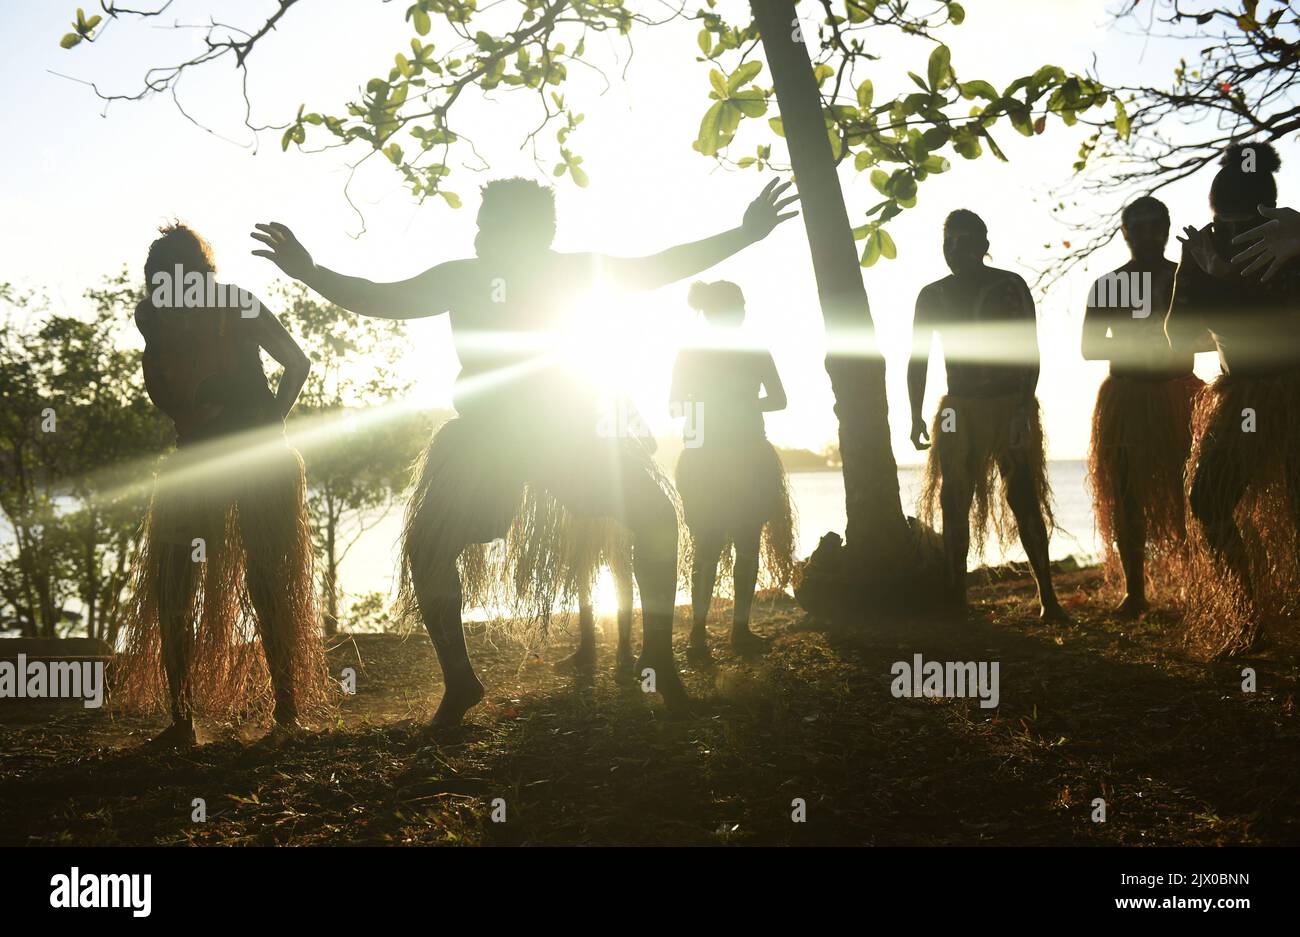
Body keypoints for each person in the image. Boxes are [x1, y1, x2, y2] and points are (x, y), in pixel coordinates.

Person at [251, 177, 798, 727]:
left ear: (533, 232)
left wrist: (744, 235)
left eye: (490, 225)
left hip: (567, 433)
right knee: (427, 545)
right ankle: (461, 681)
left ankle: (658, 656)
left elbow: (659, 266)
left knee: (656, 516)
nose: (480, 233)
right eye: (481, 224)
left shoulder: (569, 272)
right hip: (489, 440)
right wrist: (311, 272)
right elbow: (380, 297)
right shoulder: (464, 279)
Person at [118, 223, 329, 747]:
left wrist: (272, 423)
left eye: (178, 277)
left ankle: (285, 712)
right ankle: (184, 719)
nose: (168, 287)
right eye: (160, 279)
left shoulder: (234, 305)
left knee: (266, 577)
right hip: (196, 463)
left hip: (255, 461)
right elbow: (160, 385)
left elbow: (298, 363)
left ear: (200, 276)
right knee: (174, 584)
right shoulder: (153, 319)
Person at [1166, 143, 1300, 655]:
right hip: (1240, 396)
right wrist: (1191, 274)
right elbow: (1179, 339)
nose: (1230, 238)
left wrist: (1222, 274)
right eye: (1220, 226)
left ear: (1271, 220)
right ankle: (1249, 616)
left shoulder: (1292, 254)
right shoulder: (1204, 256)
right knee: (1208, 501)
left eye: (1243, 228)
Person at [909, 209, 1068, 622]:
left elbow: (1028, 351)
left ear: (983, 245)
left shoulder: (1009, 287)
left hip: (1007, 404)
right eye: (949, 243)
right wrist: (914, 415)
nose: (955, 251)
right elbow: (918, 359)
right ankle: (956, 598)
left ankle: (1048, 599)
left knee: (1023, 496)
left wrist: (1022, 406)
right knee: (952, 498)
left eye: (964, 242)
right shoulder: (933, 296)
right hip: (957, 410)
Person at [1081, 196, 1212, 618]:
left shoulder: (1187, 279)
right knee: (1125, 493)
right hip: (1127, 396)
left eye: (1156, 226)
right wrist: (1140, 338)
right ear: (1125, 233)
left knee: (1190, 493)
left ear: (1167, 227)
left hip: (1180, 394)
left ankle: (1201, 586)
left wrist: (1176, 337)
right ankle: (1135, 592)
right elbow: (1089, 346)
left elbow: (1215, 334)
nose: (1148, 235)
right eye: (1137, 227)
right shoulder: (1108, 284)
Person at [670, 280, 796, 665]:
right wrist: (705, 428)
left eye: (741, 306)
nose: (740, 312)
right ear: (715, 312)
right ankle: (698, 635)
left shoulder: (754, 351)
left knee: (747, 543)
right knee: (707, 544)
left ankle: (737, 631)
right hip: (708, 459)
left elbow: (780, 399)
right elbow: (676, 406)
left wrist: (740, 402)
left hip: (748, 456)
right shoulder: (691, 354)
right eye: (735, 306)